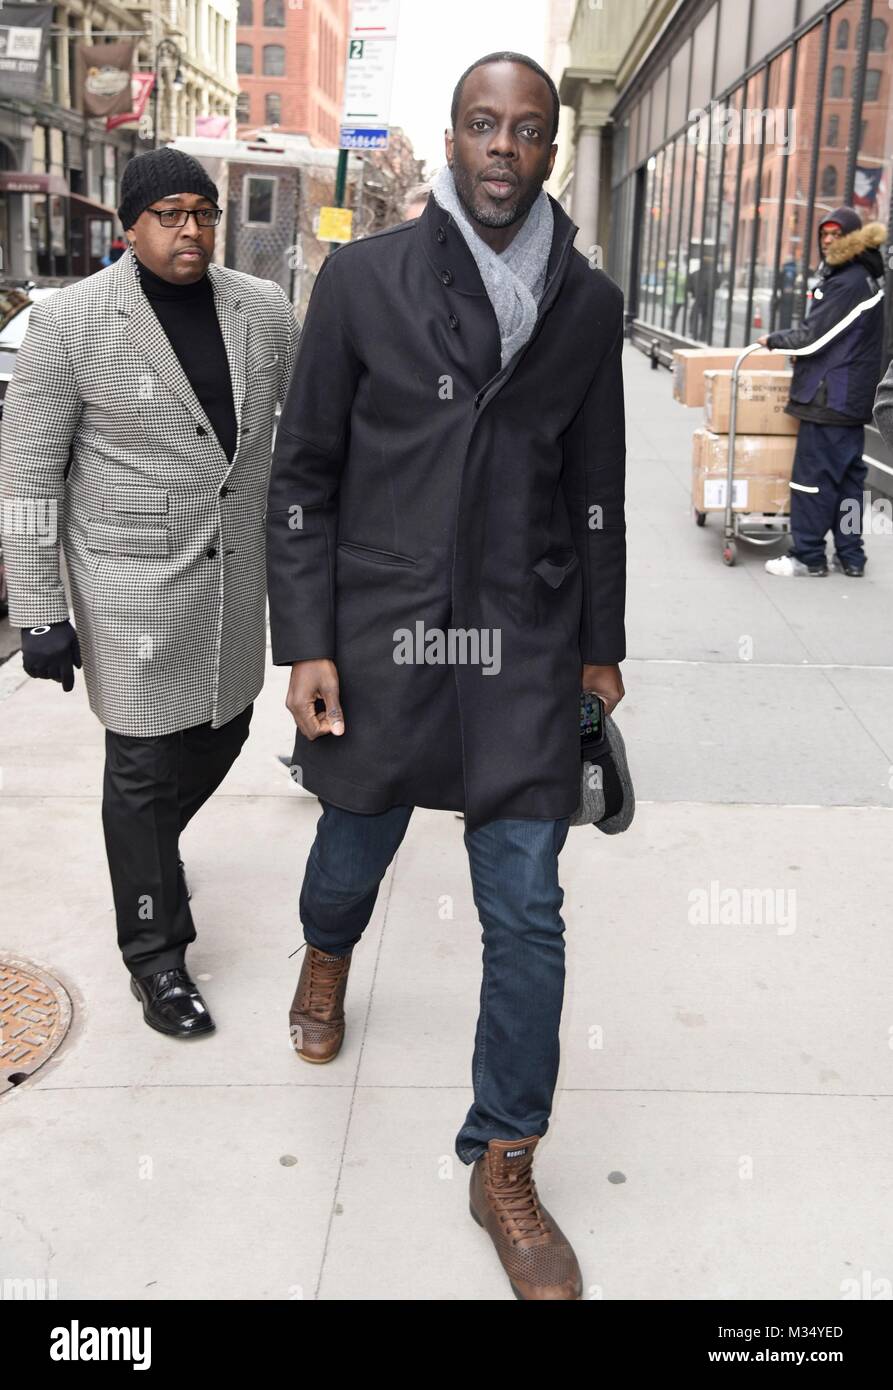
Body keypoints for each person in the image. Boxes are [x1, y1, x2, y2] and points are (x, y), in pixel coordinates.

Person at [266, 51, 627, 1300]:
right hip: (385, 637)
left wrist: (600, 645)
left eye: (526, 131)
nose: (501, 149)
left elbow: (595, 492)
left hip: (521, 649)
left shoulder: (585, 303)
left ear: (545, 153)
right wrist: (305, 641)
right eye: (482, 124)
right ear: (452, 135)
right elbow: (303, 475)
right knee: (352, 846)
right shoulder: (363, 280)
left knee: (525, 908)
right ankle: (324, 952)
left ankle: (503, 1156)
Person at [0, 148, 298, 1036]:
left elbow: (283, 441)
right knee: (137, 768)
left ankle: (148, 860)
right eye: (168, 213)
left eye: (203, 212)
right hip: (127, 580)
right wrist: (40, 609)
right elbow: (27, 474)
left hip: (232, 579)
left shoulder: (265, 311)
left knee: (229, 726)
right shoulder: (73, 323)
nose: (190, 229)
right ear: (129, 228)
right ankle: (157, 957)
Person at [758, 206, 886, 577]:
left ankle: (808, 557)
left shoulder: (846, 282)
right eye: (824, 234)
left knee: (812, 481)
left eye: (836, 234)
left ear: (852, 238)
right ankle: (851, 556)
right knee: (848, 482)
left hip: (829, 398)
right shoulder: (862, 278)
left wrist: (774, 341)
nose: (828, 240)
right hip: (849, 400)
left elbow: (814, 338)